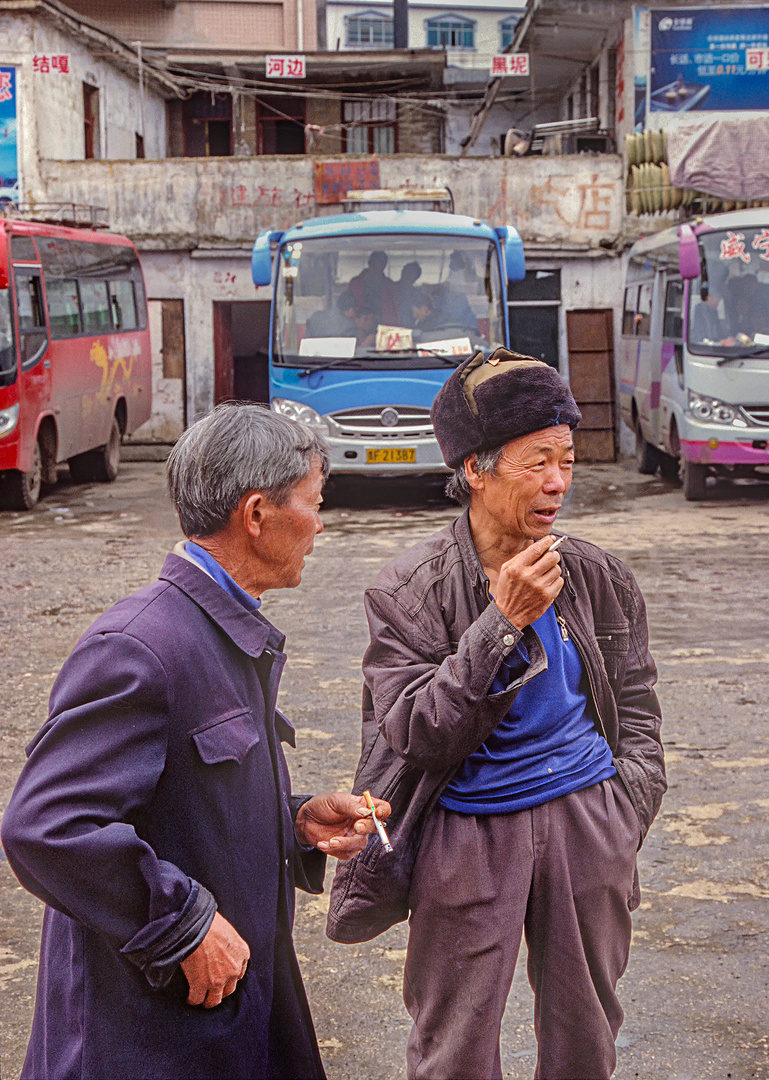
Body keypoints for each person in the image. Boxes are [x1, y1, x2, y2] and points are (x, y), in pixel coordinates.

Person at [1, 404, 390, 1080]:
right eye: (313, 502)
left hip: (219, 1017)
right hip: (145, 1035)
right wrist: (181, 924)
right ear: (256, 514)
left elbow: (181, 794)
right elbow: (46, 826)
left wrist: (293, 821)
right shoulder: (142, 646)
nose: (321, 524)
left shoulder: (223, 632)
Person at [327, 349, 666, 1080]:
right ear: (474, 470)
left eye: (566, 460)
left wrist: (625, 806)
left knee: (585, 1040)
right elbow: (415, 731)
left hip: (586, 821)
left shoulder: (599, 575)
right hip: (467, 835)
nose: (556, 483)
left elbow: (636, 706)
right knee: (453, 1047)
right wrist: (499, 625)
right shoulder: (410, 589)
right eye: (535, 461)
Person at [348, 250, 397, 324]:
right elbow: (348, 308)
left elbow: (396, 311)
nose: (376, 267)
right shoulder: (355, 284)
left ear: (384, 266)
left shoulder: (390, 286)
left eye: (380, 264)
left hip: (384, 328)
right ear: (369, 263)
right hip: (358, 328)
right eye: (374, 264)